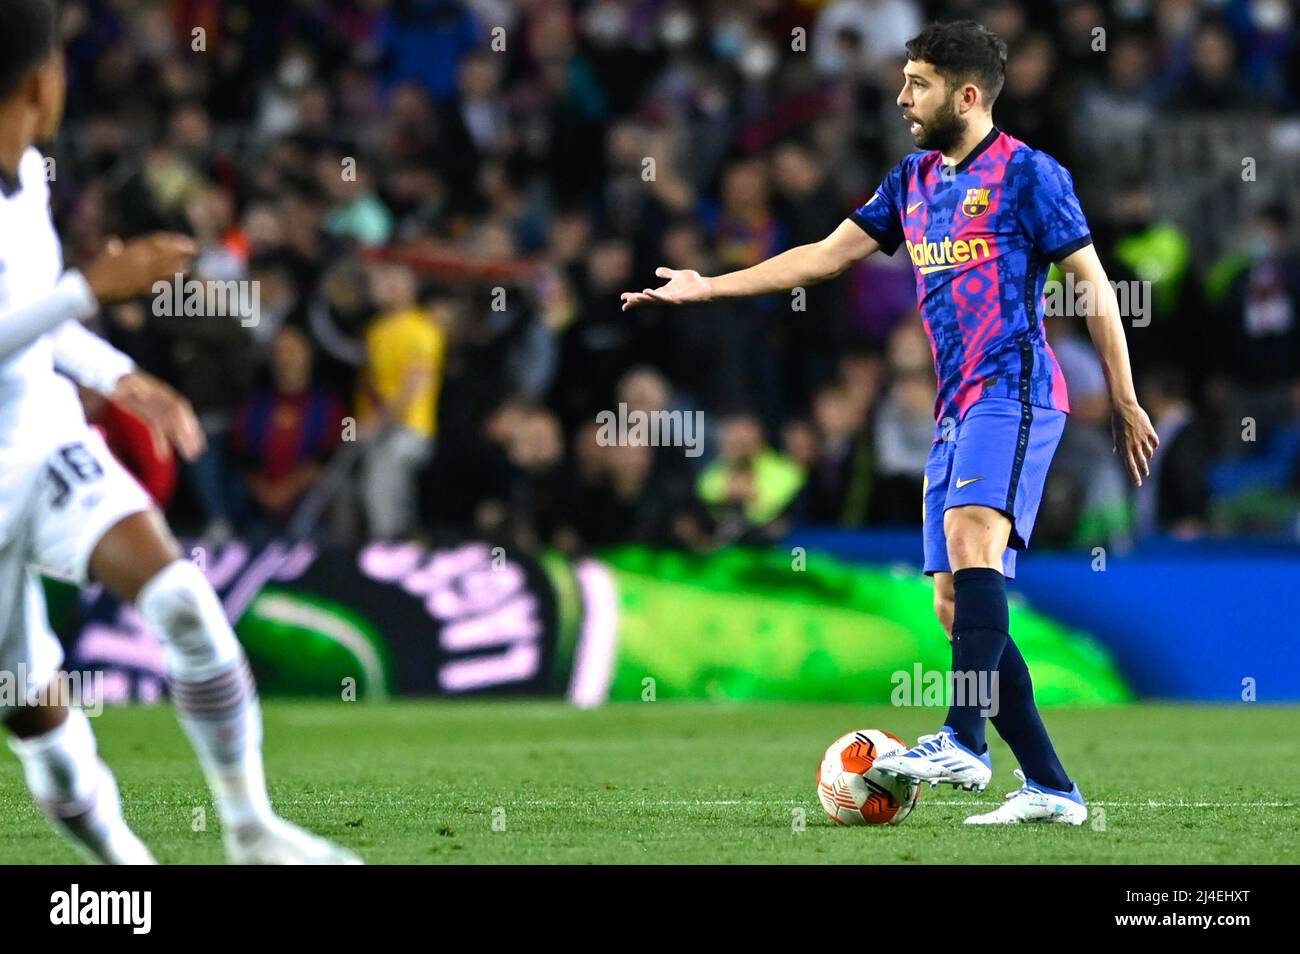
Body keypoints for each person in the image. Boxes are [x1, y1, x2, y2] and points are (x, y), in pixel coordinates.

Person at [622, 20, 1158, 826]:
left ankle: (964, 740)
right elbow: (821, 255)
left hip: (1012, 392)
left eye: (919, 84)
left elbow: (1094, 283)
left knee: (976, 543)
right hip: (953, 410)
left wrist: (1122, 396)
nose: (903, 98)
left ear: (967, 94)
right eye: (905, 81)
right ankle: (1050, 785)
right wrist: (710, 286)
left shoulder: (1030, 176)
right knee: (952, 603)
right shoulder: (910, 181)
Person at [0, 0, 357, 863]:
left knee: (182, 600)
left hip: (44, 445)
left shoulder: (33, 175)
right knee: (32, 705)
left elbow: (29, 315)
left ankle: (250, 829)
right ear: (44, 85)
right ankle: (127, 873)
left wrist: (116, 374)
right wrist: (96, 286)